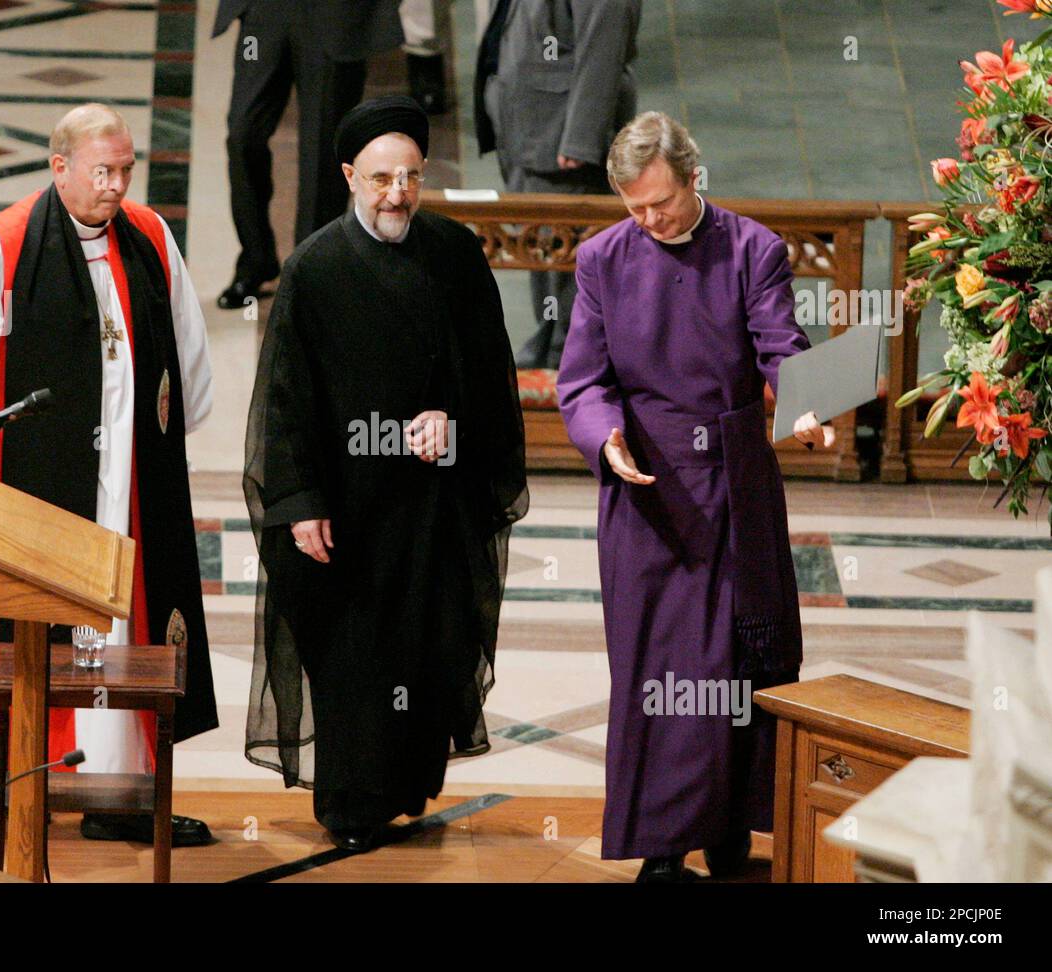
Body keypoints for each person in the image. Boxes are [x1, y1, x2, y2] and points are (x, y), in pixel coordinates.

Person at [0, 103, 218, 848]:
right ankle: (23, 779)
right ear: (59, 167)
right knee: (44, 623)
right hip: (36, 491)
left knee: (125, 620)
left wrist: (169, 433)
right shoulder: (0, 248)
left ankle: (124, 792)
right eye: (101, 171)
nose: (115, 186)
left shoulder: (149, 238)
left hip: (130, 483)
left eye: (125, 170)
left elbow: (187, 359)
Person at [242, 96, 528, 852]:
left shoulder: (456, 257)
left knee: (429, 652)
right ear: (348, 177)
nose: (396, 193)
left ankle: (403, 789)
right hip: (350, 513)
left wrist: (450, 421)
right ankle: (350, 804)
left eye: (409, 177)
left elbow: (491, 380)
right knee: (356, 663)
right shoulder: (315, 268)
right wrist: (299, 502)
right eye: (380, 179)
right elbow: (283, 400)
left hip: (434, 510)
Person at [556, 112, 835, 883]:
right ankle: (664, 848)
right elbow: (582, 379)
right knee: (663, 668)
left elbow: (781, 344)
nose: (649, 221)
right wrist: (604, 436)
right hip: (647, 487)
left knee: (744, 664)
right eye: (634, 208)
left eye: (662, 204)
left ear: (693, 178)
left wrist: (803, 400)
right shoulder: (601, 260)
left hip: (737, 482)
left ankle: (733, 833)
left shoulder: (753, 248)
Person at [476, 0, 642, 369]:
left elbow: (604, 44)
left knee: (573, 259)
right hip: (528, 129)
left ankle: (576, 360)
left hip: (563, 137)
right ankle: (551, 340)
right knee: (541, 249)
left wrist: (582, 138)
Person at [212, 0, 404, 309]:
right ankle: (256, 259)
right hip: (265, 13)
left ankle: (310, 274)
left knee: (322, 150)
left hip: (335, 15)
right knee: (242, 135)